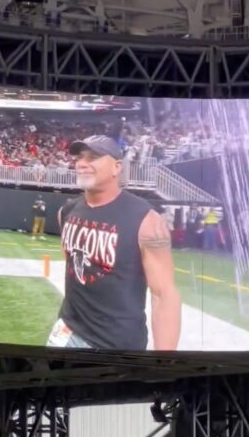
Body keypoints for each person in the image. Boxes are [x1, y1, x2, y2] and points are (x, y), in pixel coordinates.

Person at [48, 135, 182, 351]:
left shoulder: (147, 221)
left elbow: (164, 294)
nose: (82, 163)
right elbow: (74, 271)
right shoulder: (67, 212)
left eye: (93, 157)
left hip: (117, 345)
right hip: (66, 331)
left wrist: (164, 362)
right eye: (79, 158)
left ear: (116, 167)